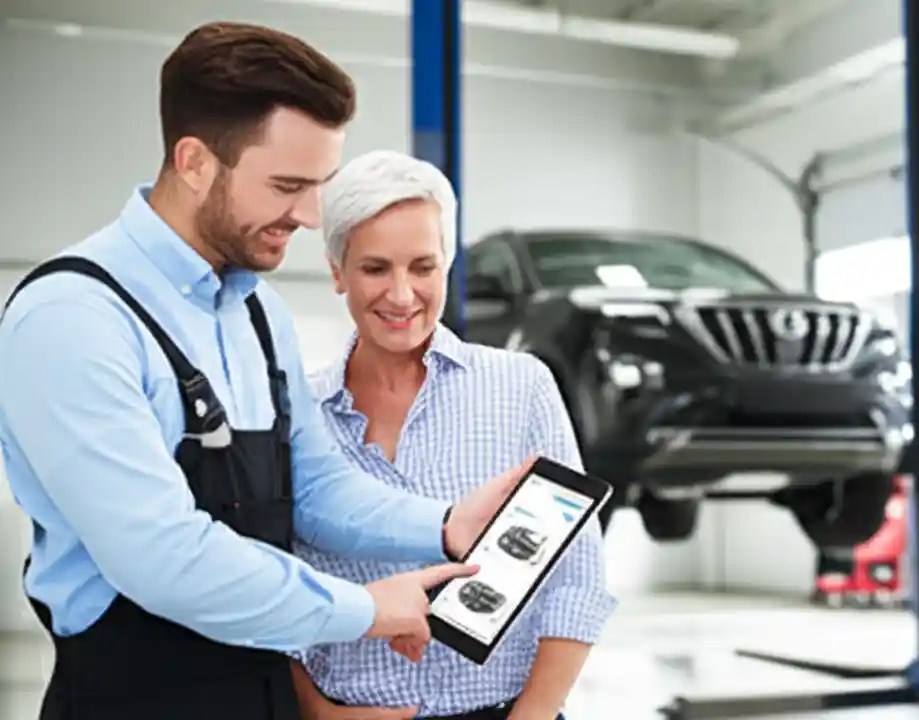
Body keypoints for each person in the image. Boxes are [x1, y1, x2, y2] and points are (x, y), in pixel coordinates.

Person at [0, 22, 526, 720]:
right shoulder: (72, 318)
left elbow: (313, 489)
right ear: (193, 162)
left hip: (265, 693)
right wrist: (367, 609)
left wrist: (444, 525)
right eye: (287, 185)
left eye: (320, 186)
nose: (310, 215)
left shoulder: (257, 313)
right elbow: (163, 557)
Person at [286, 150, 617, 720]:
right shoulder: (297, 413)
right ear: (337, 270)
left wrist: (531, 716)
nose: (401, 294)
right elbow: (275, 584)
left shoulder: (520, 387)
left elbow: (577, 576)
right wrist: (318, 712)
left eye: (422, 266)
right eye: (374, 268)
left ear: (447, 265)